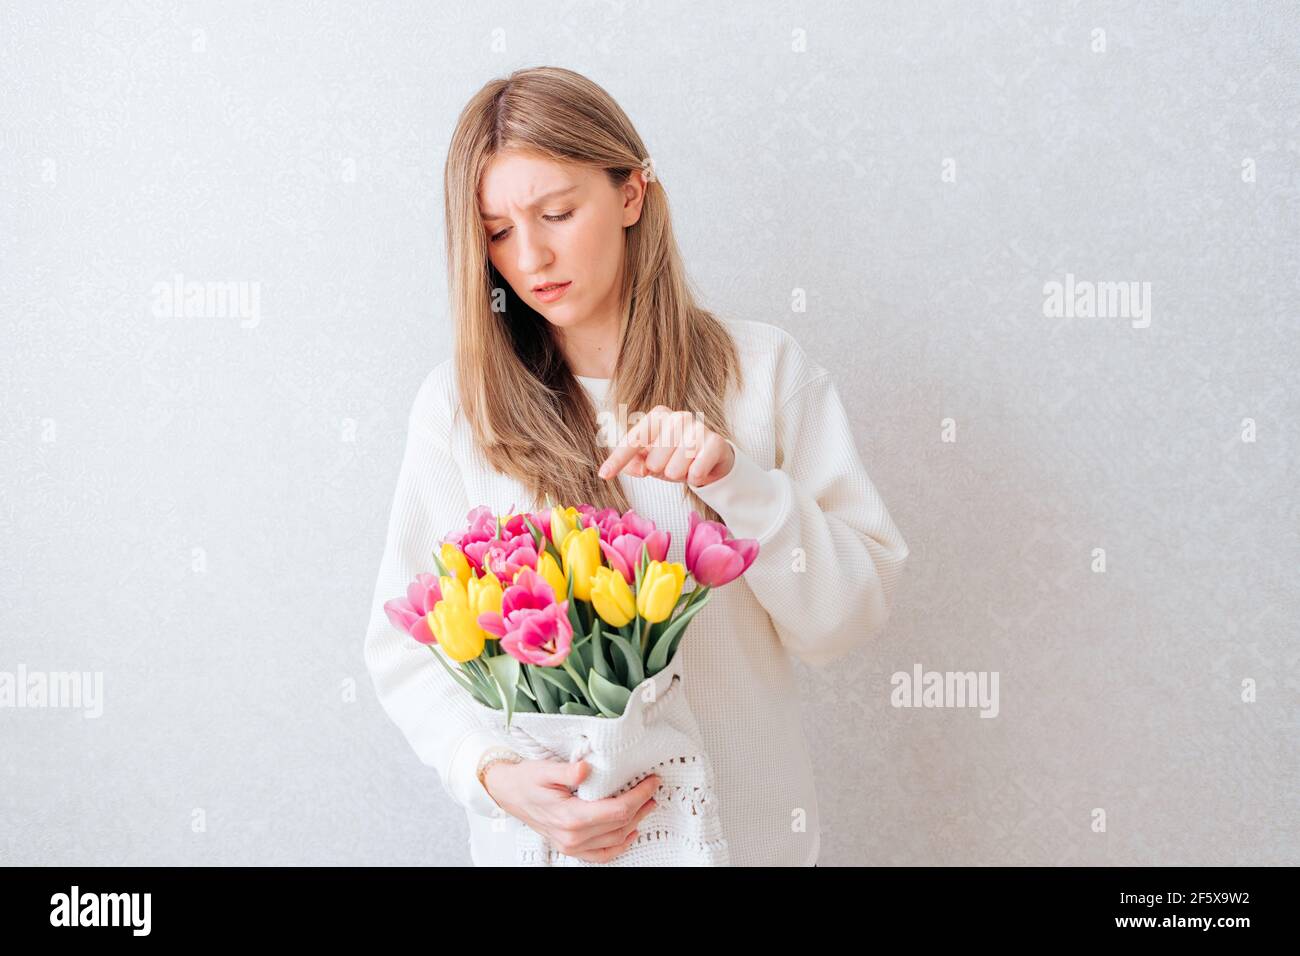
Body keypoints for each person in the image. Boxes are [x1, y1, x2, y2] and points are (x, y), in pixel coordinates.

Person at [363, 66, 909, 866]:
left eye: (556, 212)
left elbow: (846, 619)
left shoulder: (763, 375)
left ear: (631, 194)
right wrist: (491, 776)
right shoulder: (457, 410)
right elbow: (405, 646)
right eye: (498, 231)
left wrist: (735, 482)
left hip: (748, 846)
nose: (533, 255)